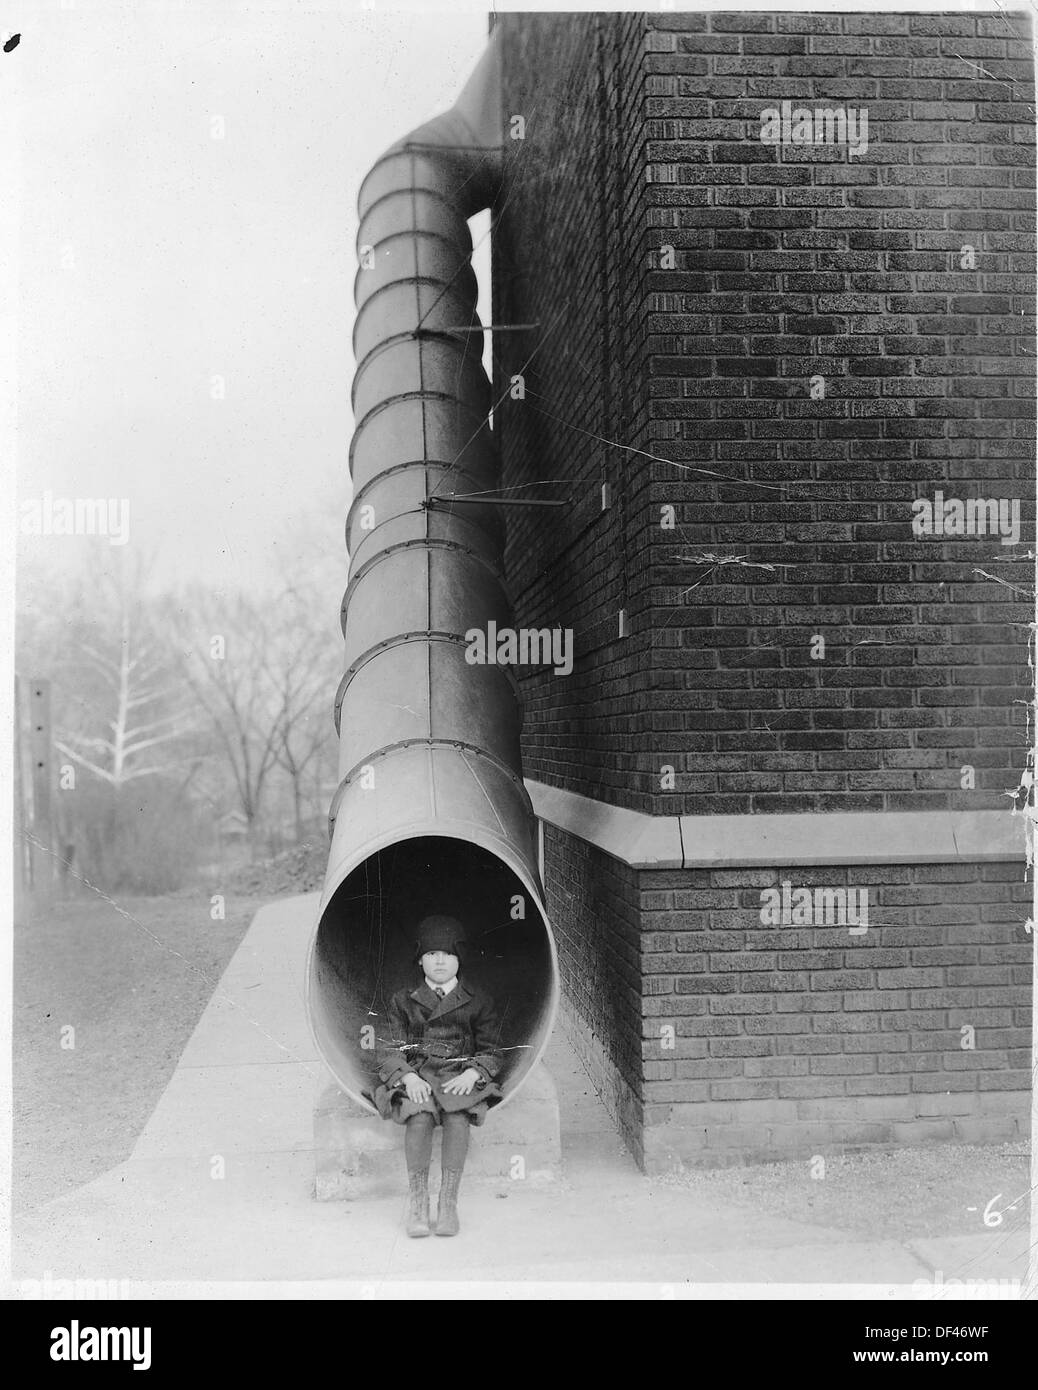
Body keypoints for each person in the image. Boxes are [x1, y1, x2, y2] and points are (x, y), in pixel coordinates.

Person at [375, 915, 503, 1237]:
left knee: (457, 1118)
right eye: (432, 954)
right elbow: (388, 1049)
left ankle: (448, 1205)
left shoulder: (478, 999)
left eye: (448, 954)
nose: (440, 961)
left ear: (460, 959)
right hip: (419, 1075)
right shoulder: (403, 999)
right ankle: (418, 1204)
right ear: (420, 960)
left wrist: (474, 1071)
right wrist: (407, 1078)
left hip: (457, 1075)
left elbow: (493, 1049)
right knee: (418, 1118)